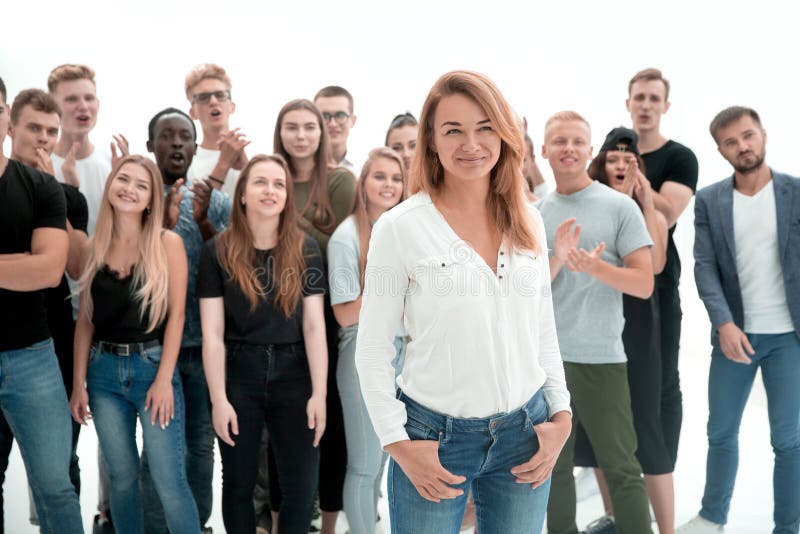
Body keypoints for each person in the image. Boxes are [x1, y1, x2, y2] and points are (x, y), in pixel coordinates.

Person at [355, 70, 572, 534]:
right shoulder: (400, 228)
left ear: (504, 135)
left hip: (526, 434)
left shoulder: (530, 220)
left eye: (485, 127)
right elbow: (372, 349)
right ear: (431, 141)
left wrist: (562, 416)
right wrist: (397, 442)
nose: (471, 143)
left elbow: (542, 332)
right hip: (433, 440)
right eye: (453, 130)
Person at [680, 107, 800, 534]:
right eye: (731, 142)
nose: (742, 146)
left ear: (763, 135)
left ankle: (788, 526)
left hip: (789, 337)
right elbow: (704, 266)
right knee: (721, 431)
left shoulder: (795, 192)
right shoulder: (710, 199)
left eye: (748, 136)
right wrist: (724, 323)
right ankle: (713, 516)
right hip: (735, 334)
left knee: (788, 441)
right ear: (720, 150)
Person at [198, 154, 328, 533]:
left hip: (295, 373)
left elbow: (315, 327)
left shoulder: (305, 250)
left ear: (287, 196)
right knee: (237, 485)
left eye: (278, 184)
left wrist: (319, 394)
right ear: (242, 194)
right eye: (260, 182)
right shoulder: (217, 252)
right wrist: (219, 399)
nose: (269, 191)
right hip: (239, 373)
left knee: (300, 490)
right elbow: (212, 334)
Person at [538, 112, 654, 534]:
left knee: (621, 466)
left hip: (604, 359)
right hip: (547, 363)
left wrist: (594, 267)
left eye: (577, 141)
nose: (568, 148)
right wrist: (558, 258)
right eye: (559, 141)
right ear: (544, 151)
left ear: (590, 151)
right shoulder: (533, 214)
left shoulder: (619, 207)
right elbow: (520, 290)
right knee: (553, 469)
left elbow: (643, 283)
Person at [69, 154, 198, 534]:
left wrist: (163, 379)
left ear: (151, 199)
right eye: (123, 180)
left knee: (168, 481)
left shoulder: (166, 243)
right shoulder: (95, 247)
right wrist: (79, 384)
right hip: (104, 375)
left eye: (142, 185)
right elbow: (85, 322)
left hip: (151, 367)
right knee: (122, 480)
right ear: (110, 187)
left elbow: (176, 317)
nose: (130, 189)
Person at [573, 127, 672, 534]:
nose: (620, 166)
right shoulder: (593, 207)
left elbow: (659, 264)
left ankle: (665, 529)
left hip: (638, 325)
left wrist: (647, 201)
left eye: (628, 162)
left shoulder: (652, 215)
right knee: (599, 432)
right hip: (597, 324)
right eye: (612, 160)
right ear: (600, 166)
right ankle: (616, 519)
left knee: (646, 426)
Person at [141, 107, 232, 534]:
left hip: (207, 349)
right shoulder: (135, 197)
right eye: (167, 136)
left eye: (185, 137)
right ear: (149, 146)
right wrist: (161, 222)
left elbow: (239, 270)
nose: (176, 143)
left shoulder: (216, 203)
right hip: (155, 350)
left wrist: (202, 223)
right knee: (157, 451)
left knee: (200, 447)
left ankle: (195, 526)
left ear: (197, 148)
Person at [0, 78, 84, 534]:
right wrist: (23, 265)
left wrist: (35, 264)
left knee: (55, 484)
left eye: (52, 132)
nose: (44, 140)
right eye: (36, 128)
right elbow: (35, 266)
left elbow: (54, 270)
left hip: (35, 354)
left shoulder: (49, 191)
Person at [272, 98, 356, 534]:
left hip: (327, 318)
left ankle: (327, 525)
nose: (301, 135)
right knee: (285, 427)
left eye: (310, 126)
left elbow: (348, 248)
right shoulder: (271, 176)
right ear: (280, 132)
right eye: (292, 127)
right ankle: (283, 519)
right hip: (278, 320)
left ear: (322, 133)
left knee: (332, 425)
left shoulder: (340, 183)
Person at [328, 147, 407, 534]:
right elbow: (344, 313)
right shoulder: (346, 238)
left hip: (403, 355)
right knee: (363, 463)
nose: (389, 184)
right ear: (363, 183)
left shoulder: (406, 232)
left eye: (396, 177)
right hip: (362, 353)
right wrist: (392, 288)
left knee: (382, 460)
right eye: (380, 176)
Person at [627, 68, 698, 468]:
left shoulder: (679, 157)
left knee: (664, 383)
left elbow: (669, 214)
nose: (646, 105)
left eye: (654, 99)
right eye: (640, 97)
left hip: (661, 286)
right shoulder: (614, 150)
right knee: (622, 383)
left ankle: (661, 474)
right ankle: (624, 476)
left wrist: (634, 176)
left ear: (665, 106)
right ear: (628, 103)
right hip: (617, 285)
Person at [48, 63, 127, 234]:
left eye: (89, 98)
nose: (83, 106)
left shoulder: (113, 163)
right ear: (52, 105)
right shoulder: (41, 166)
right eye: (71, 99)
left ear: (98, 104)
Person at [185, 63, 249, 196]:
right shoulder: (188, 164)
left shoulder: (254, 154)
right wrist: (223, 163)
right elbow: (195, 213)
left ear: (232, 106)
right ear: (193, 113)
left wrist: (247, 168)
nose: (213, 101)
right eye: (203, 98)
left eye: (220, 95)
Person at [314, 86, 358, 172]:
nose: (332, 124)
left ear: (353, 120)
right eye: (325, 116)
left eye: (340, 115)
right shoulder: (300, 168)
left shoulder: (364, 168)